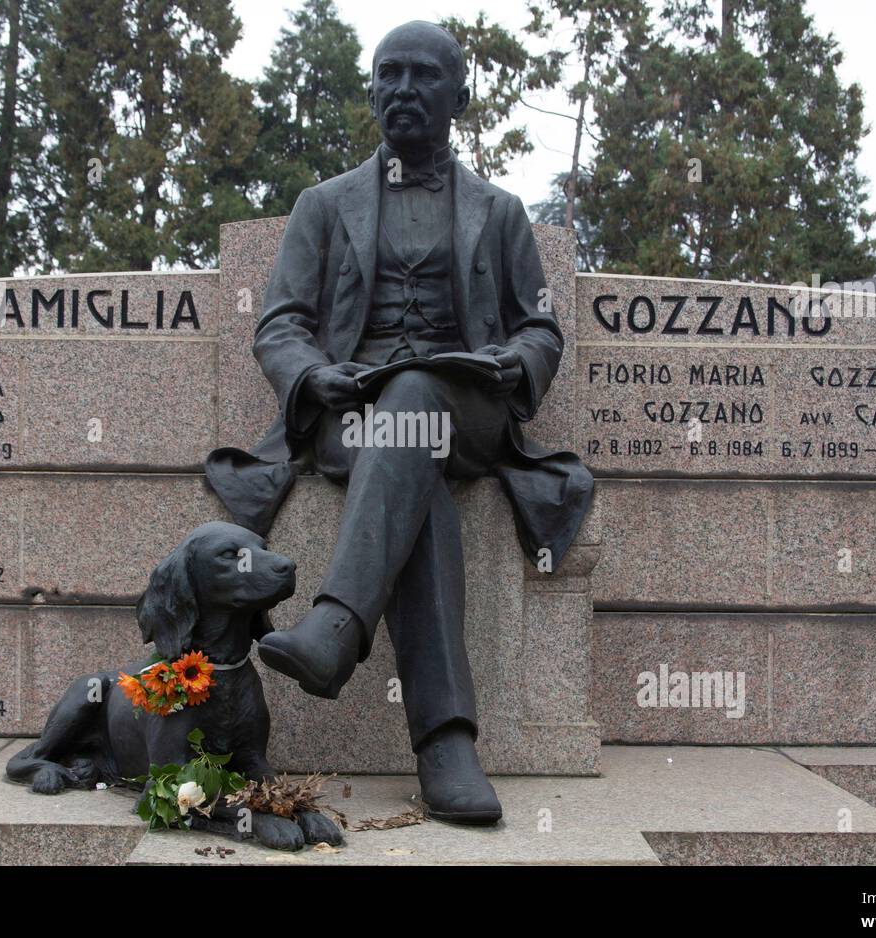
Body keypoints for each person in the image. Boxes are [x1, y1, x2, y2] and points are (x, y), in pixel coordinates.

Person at [205, 21, 592, 823]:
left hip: (471, 410)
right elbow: (279, 325)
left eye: (423, 75)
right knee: (417, 482)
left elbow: (541, 328)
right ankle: (446, 743)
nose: (404, 89)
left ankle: (338, 625)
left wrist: (512, 365)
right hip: (352, 413)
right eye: (389, 74)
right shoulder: (322, 206)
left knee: (417, 393)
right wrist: (315, 376)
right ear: (372, 88)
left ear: (459, 95)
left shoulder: (500, 211)